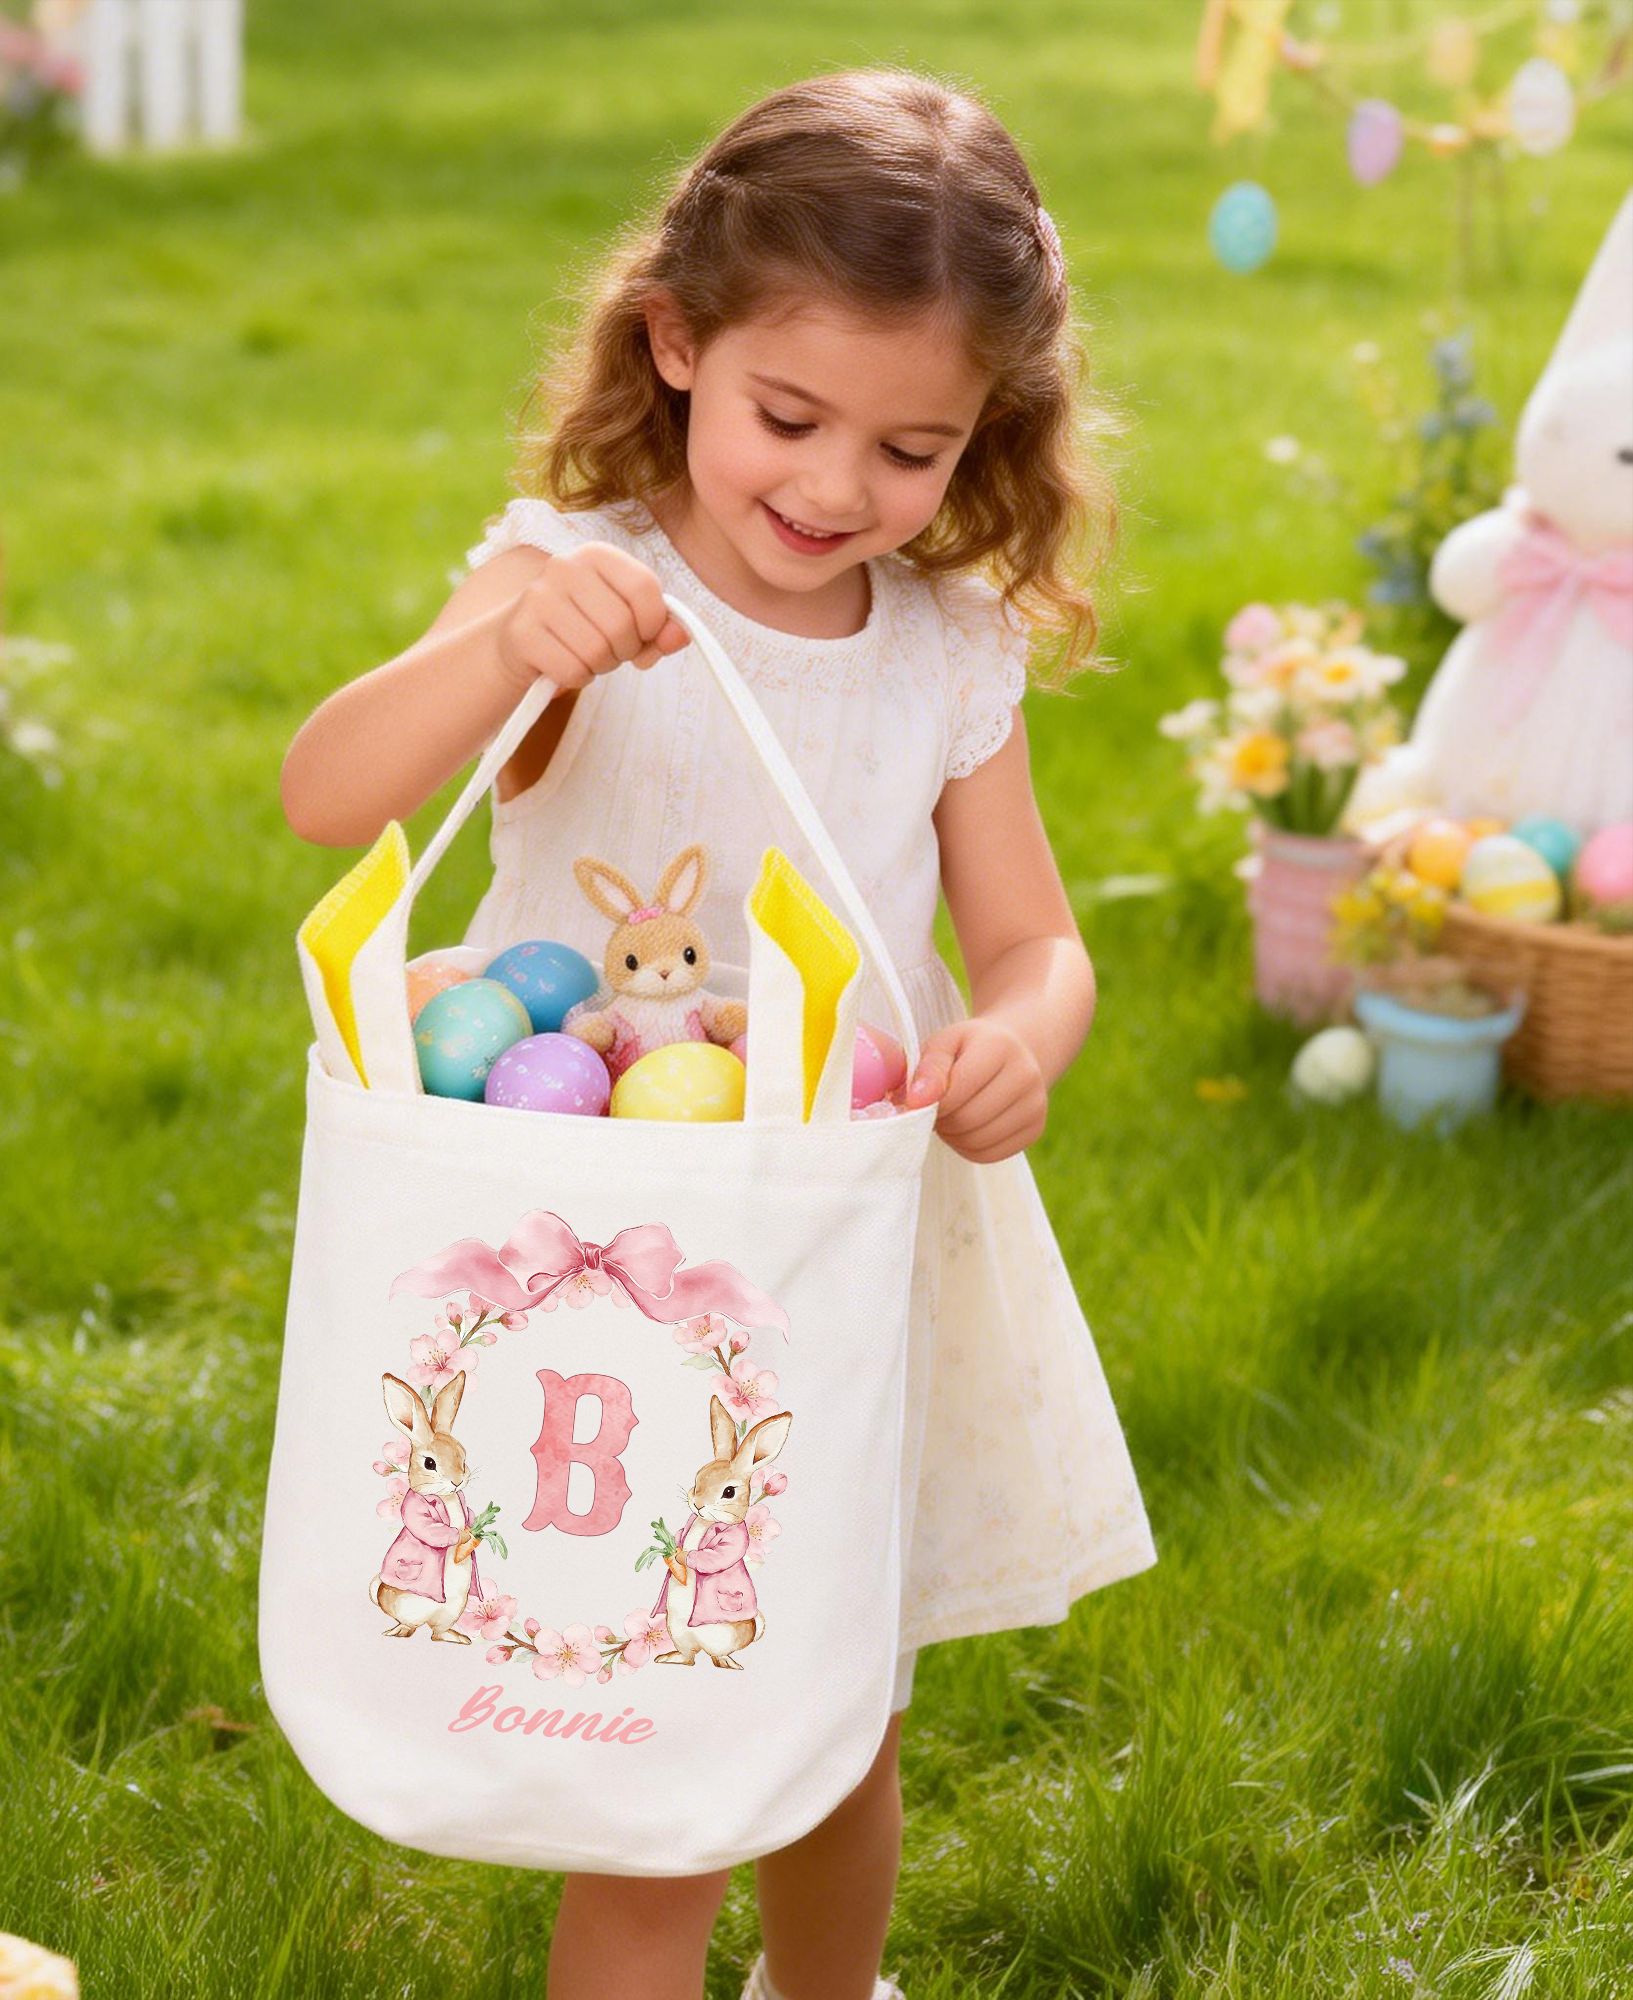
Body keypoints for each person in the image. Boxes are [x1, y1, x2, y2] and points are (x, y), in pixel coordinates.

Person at [280, 65, 1156, 2000]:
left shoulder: (942, 651)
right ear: (676, 341)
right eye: (791, 417)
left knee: (835, 1716)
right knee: (661, 1772)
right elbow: (331, 798)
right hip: (583, 1256)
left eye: (914, 449)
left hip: (833, 1238)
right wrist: (502, 648)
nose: (841, 490)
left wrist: (1023, 1037)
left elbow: (1033, 940)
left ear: (986, 435)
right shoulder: (569, 576)